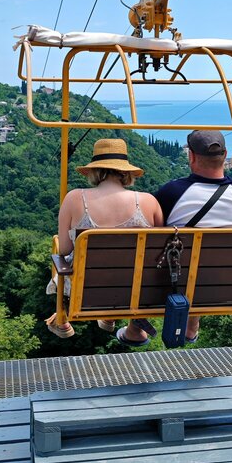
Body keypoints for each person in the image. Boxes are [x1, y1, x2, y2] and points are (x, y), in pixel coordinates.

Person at [117, 129, 232, 346]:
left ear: (192, 156)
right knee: (199, 263)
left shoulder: (173, 192)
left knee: (161, 252)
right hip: (227, 288)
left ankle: (136, 329)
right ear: (225, 155)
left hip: (171, 286)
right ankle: (192, 325)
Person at [46, 137, 164, 339]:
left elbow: (64, 250)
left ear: (95, 171)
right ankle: (109, 316)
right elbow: (159, 250)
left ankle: (63, 318)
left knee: (60, 256)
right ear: (126, 172)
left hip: (87, 289)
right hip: (135, 289)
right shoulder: (149, 201)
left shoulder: (74, 198)